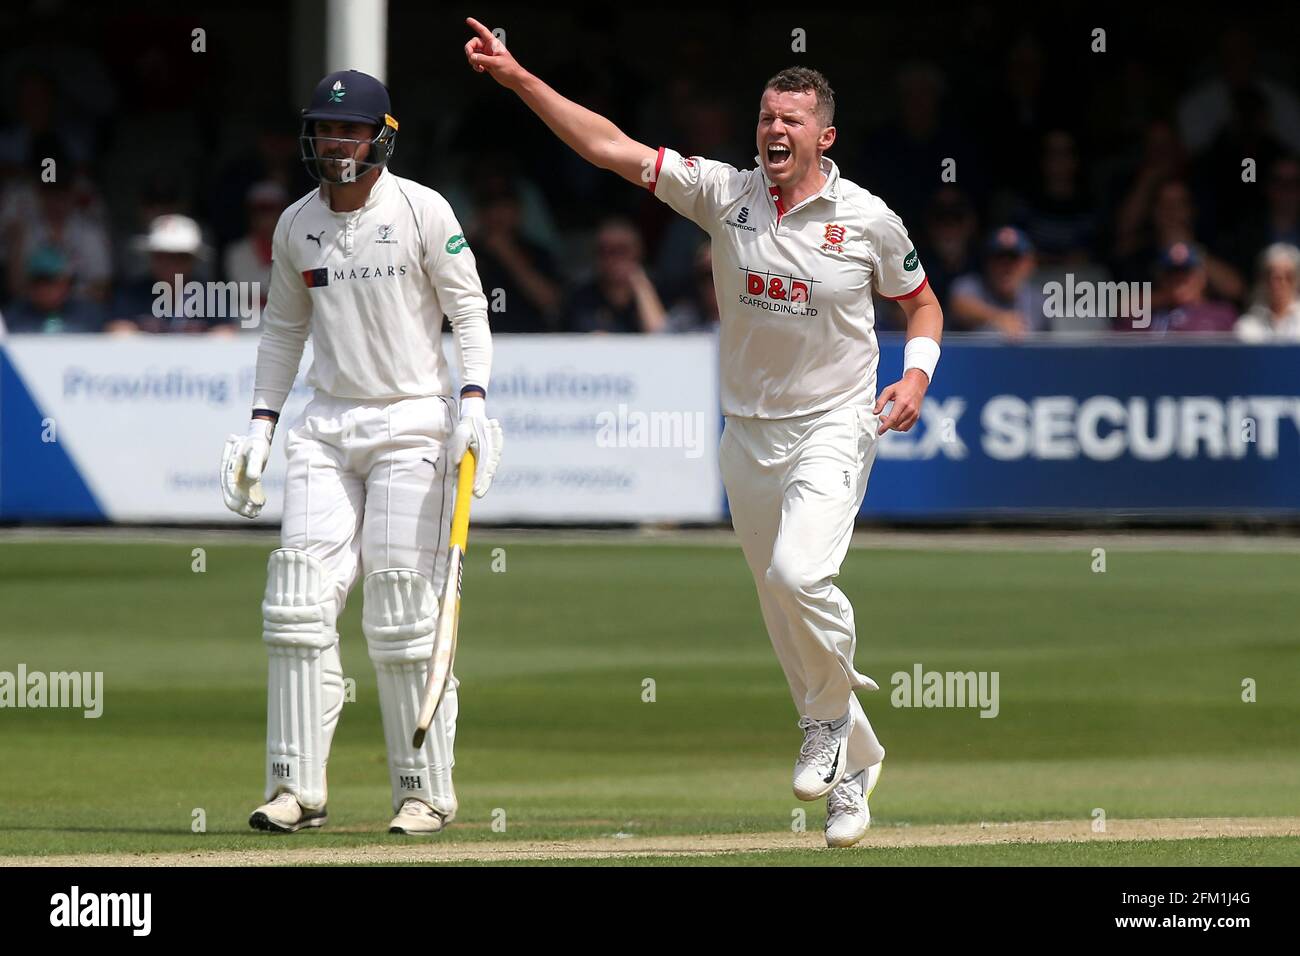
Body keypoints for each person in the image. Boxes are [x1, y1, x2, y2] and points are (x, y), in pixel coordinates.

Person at [465, 18, 944, 848]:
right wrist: (519, 80)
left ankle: (828, 723)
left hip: (835, 421)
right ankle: (851, 757)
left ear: (824, 136)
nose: (774, 130)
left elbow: (922, 303)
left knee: (799, 575)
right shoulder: (725, 192)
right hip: (746, 434)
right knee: (779, 607)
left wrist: (918, 373)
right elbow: (611, 148)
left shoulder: (868, 220)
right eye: (765, 117)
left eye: (791, 120)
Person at [219, 69, 504, 837]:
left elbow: (468, 310)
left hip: (412, 420)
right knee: (296, 601)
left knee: (404, 608)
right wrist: (261, 428)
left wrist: (472, 402)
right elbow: (283, 330)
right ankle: (294, 788)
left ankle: (423, 792)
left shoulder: (421, 209)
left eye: (349, 129)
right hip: (326, 423)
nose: (335, 141)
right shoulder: (296, 225)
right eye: (324, 128)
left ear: (381, 135)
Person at [565, 218, 666, 333]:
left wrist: (641, 285)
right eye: (604, 251)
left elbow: (662, 336)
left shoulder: (662, 290)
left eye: (621, 250)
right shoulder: (581, 299)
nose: (613, 259)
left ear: (639, 251)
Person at [950, 226, 1043, 338]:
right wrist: (998, 318)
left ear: (1029, 264)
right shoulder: (969, 286)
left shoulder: (1038, 301)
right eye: (999, 258)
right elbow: (959, 306)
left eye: (1014, 259)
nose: (1006, 268)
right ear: (987, 263)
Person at [2, 246, 103, 333]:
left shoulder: (88, 314)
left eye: (51, 280)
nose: (44, 288)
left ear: (66, 283)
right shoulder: (12, 318)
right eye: (38, 281)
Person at [1235, 243, 1300, 341]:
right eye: (1273, 276)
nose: (1281, 283)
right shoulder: (1247, 325)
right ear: (1262, 279)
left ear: (1297, 280)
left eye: (1288, 276)